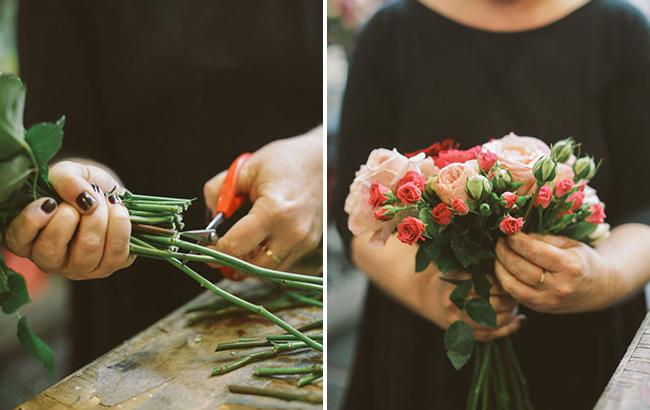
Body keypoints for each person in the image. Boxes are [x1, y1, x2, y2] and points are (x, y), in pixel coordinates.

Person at [333, 0, 650, 408]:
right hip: (426, 351)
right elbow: (353, 211)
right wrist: (429, 292)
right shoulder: (391, 31)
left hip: (581, 347)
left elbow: (645, 206)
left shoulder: (620, 30)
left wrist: (599, 276)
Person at [8, 1, 322, 370]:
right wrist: (79, 192)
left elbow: (355, 103)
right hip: (134, 310)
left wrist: (318, 154)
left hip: (303, 291)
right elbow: (63, 136)